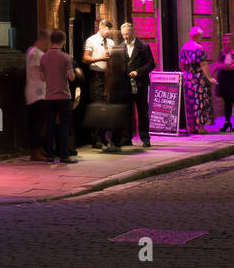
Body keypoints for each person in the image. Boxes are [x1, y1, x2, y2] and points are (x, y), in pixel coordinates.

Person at [40, 30, 78, 162]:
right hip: (63, 96)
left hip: (49, 96)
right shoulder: (65, 57)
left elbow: (42, 77)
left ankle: (50, 154)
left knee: (50, 125)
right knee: (63, 125)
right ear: (63, 40)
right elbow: (71, 77)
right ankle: (63, 155)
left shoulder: (43, 57)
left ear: (52, 40)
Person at [120, 22, 157, 148]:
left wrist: (138, 72)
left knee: (142, 111)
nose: (125, 37)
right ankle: (126, 138)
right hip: (126, 85)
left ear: (132, 32)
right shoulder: (120, 47)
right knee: (126, 112)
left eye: (127, 34)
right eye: (123, 34)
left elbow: (151, 64)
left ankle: (145, 138)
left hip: (140, 84)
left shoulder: (143, 46)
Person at [82, 18, 116, 149]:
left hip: (108, 76)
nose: (108, 32)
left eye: (109, 29)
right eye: (106, 29)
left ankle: (104, 137)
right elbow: (85, 58)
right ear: (100, 27)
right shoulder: (92, 40)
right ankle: (95, 138)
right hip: (96, 76)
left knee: (107, 107)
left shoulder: (111, 43)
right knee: (97, 106)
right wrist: (101, 58)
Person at [179, 27, 214, 135]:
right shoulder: (199, 48)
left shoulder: (184, 47)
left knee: (190, 102)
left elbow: (181, 63)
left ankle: (192, 126)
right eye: (201, 36)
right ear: (196, 36)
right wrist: (209, 78)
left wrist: (187, 72)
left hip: (188, 78)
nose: (201, 38)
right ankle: (200, 127)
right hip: (198, 78)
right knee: (200, 101)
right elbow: (203, 64)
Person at [25, 29, 51, 162]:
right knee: (38, 124)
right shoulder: (37, 54)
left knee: (37, 123)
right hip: (37, 93)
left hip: (35, 92)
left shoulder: (31, 51)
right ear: (44, 40)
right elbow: (43, 74)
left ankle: (37, 149)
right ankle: (35, 151)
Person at [212, 34, 234, 133]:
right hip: (224, 80)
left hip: (233, 79)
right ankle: (227, 122)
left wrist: (223, 66)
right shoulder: (223, 52)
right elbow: (217, 64)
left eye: (227, 40)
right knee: (227, 102)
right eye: (224, 40)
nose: (225, 42)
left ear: (232, 40)